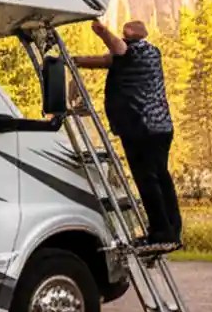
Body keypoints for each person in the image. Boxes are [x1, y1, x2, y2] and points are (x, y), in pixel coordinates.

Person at [72, 19, 182, 248]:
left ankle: (161, 233)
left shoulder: (133, 50)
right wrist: (76, 61)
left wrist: (102, 32)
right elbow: (107, 60)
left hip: (141, 127)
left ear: (131, 35)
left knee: (147, 180)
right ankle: (172, 229)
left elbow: (116, 48)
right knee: (161, 178)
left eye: (125, 34)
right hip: (161, 128)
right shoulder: (152, 52)